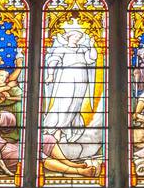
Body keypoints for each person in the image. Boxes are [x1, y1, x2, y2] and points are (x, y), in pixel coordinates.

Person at [40, 18, 104, 178]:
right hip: (67, 76)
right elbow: (53, 61)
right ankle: (54, 130)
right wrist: (50, 75)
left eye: (78, 37)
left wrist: (90, 46)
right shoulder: (61, 49)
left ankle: (62, 133)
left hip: (81, 77)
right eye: (74, 36)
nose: (76, 39)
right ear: (68, 37)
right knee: (64, 103)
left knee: (75, 104)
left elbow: (92, 59)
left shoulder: (83, 48)